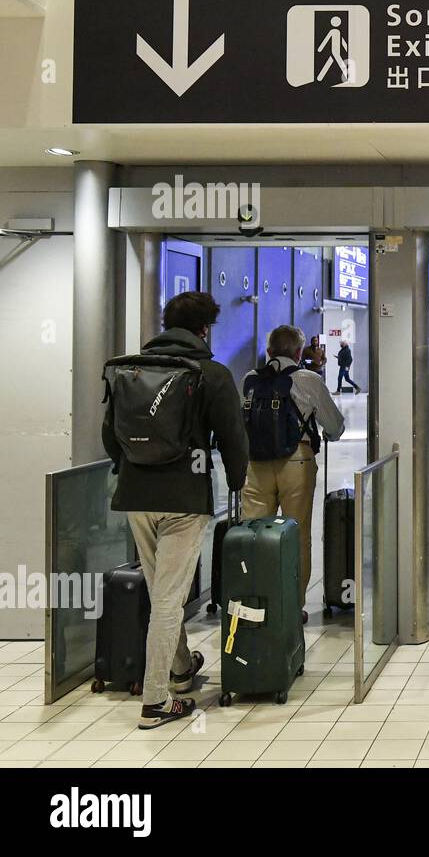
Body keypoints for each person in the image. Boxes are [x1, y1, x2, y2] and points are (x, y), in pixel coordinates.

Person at [101, 291, 249, 730]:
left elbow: (110, 436)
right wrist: (238, 483)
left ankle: (180, 670)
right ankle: (155, 701)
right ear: (205, 329)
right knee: (169, 597)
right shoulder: (211, 373)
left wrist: (129, 467)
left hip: (135, 496)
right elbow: (233, 438)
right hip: (185, 498)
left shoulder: (130, 369)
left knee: (160, 587)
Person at [241, 325, 346, 622]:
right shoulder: (308, 379)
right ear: (299, 353)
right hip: (296, 462)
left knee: (253, 534)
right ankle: (292, 606)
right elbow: (335, 427)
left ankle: (255, 602)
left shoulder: (249, 380)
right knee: (296, 534)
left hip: (256, 463)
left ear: (269, 351)